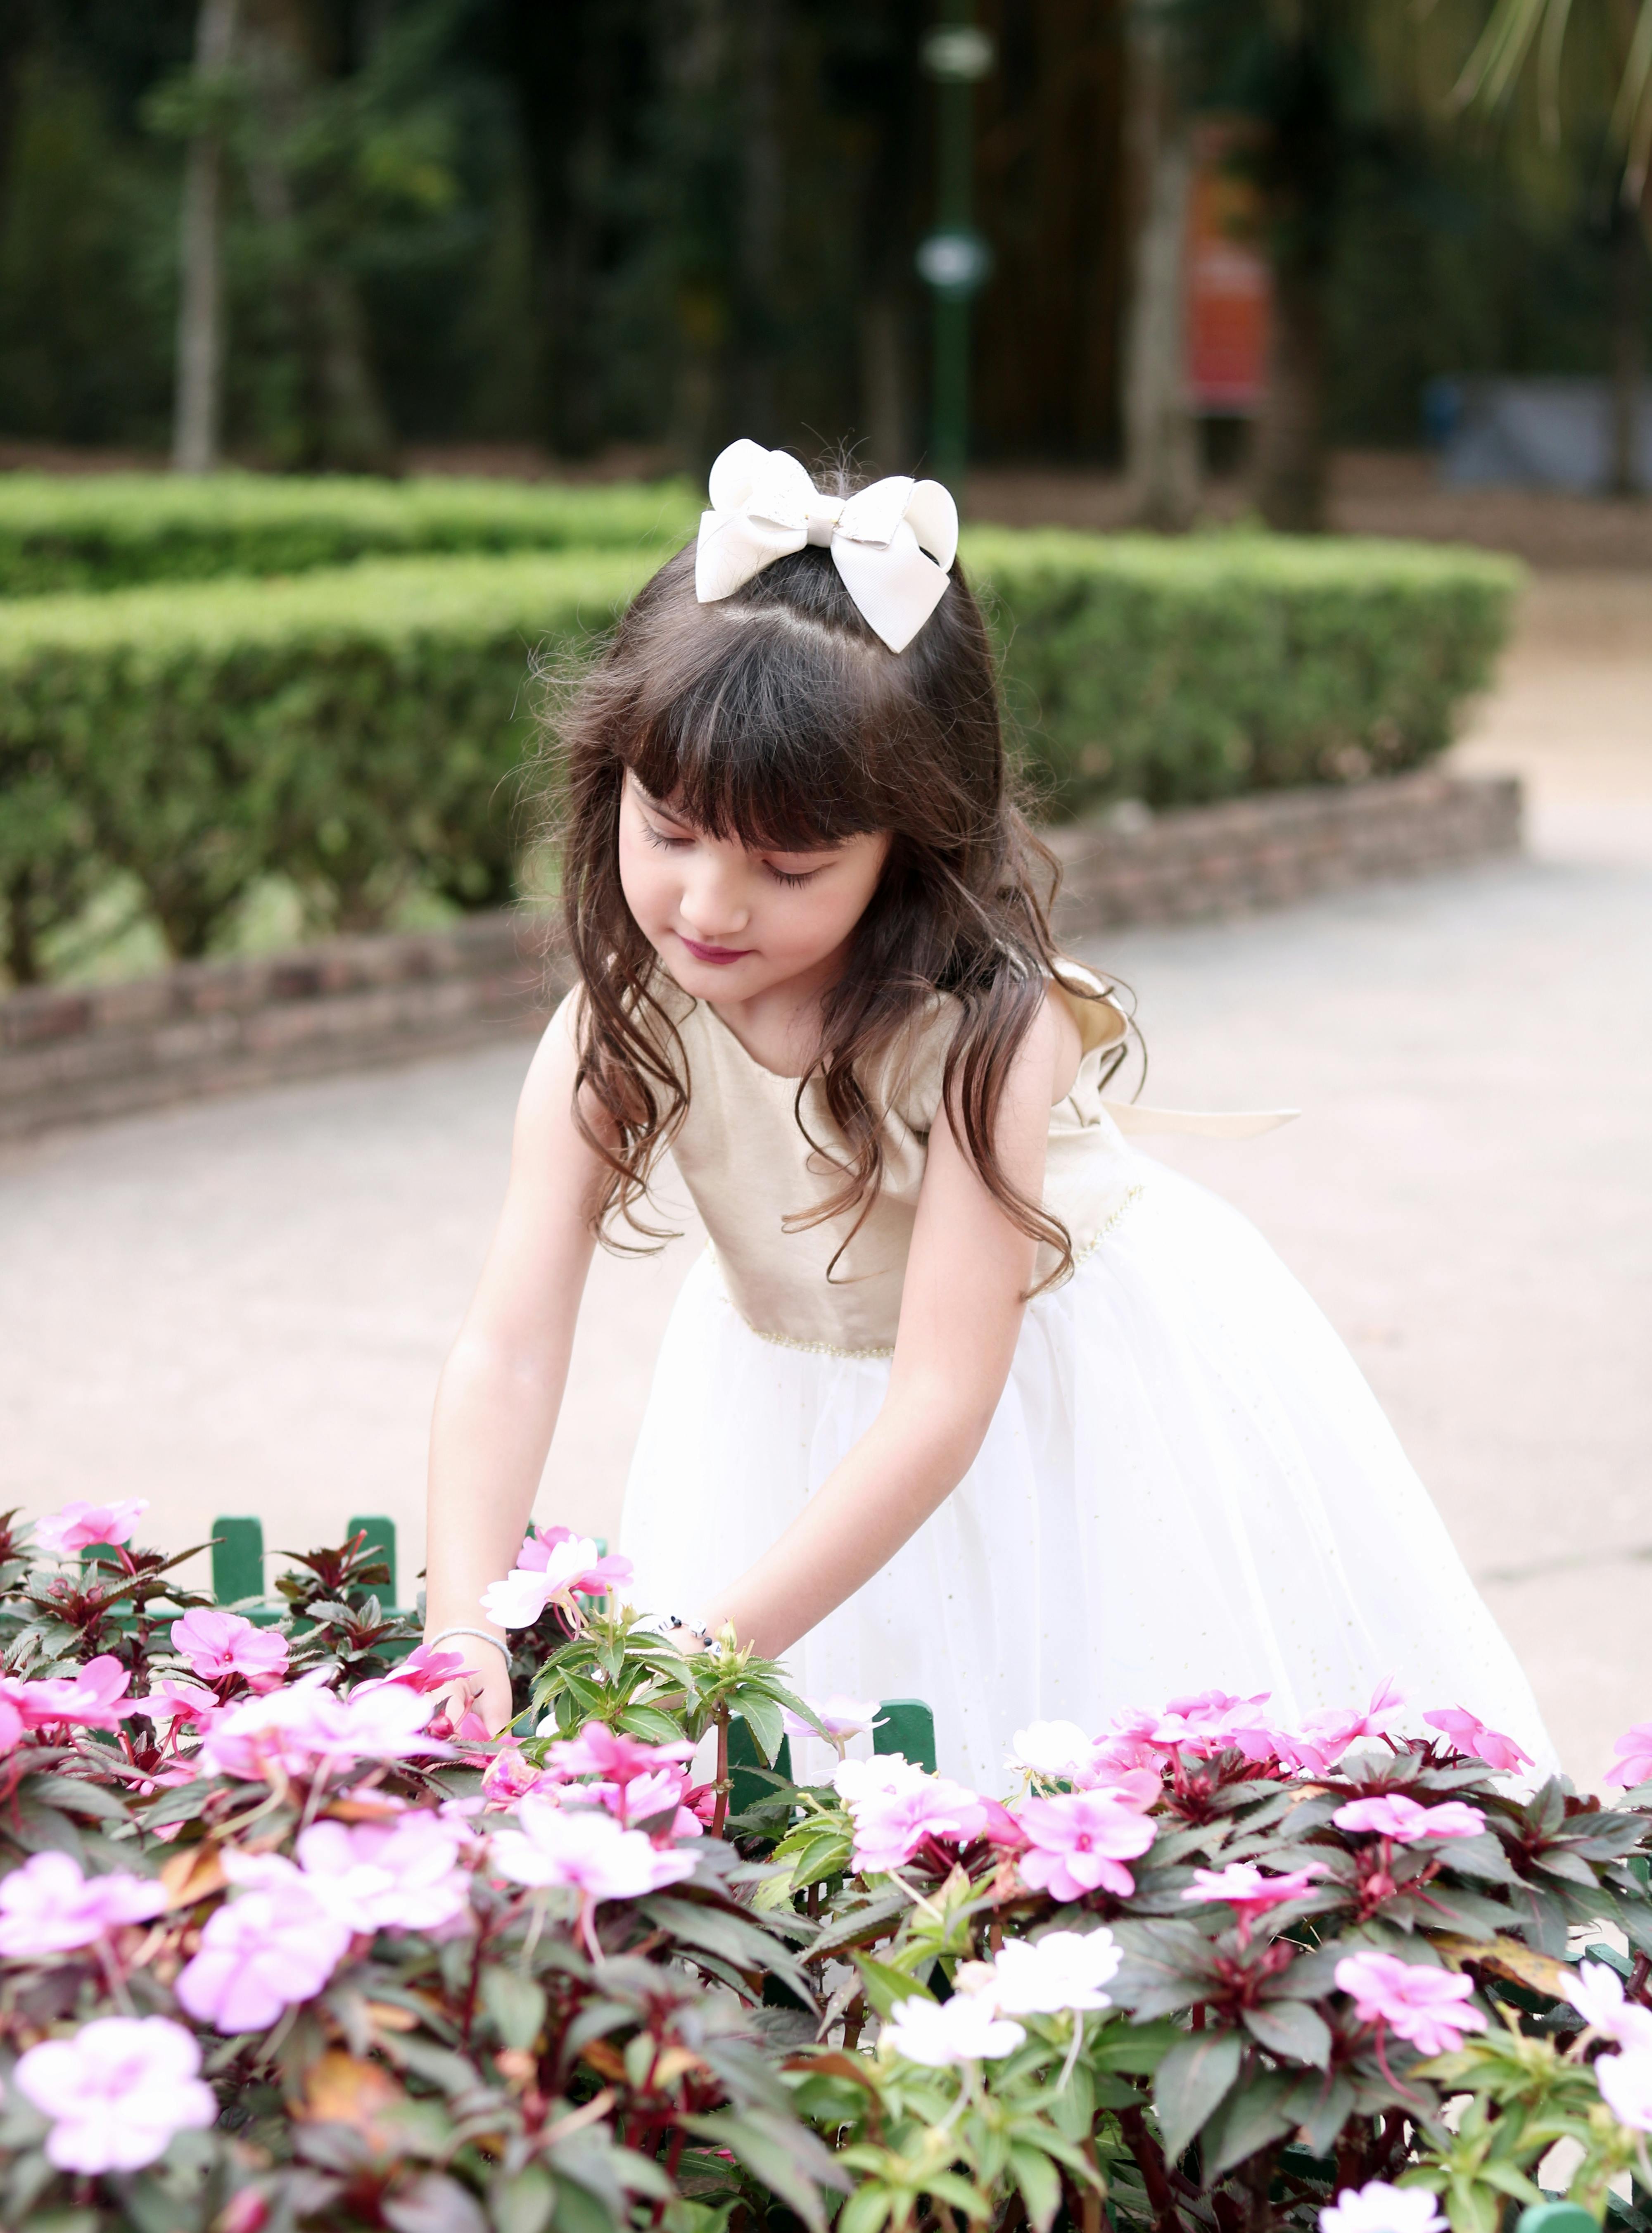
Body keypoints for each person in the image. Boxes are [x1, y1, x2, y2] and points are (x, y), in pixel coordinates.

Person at [422, 440, 1554, 1786]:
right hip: (786, 1398)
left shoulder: (984, 1035)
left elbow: (944, 1404)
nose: (710, 908)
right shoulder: (619, 1026)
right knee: (819, 1833)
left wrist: (698, 1663)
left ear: (913, 845)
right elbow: (506, 1348)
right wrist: (461, 1630)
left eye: (788, 867)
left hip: (1065, 1402)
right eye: (668, 831)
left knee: (1059, 1760)